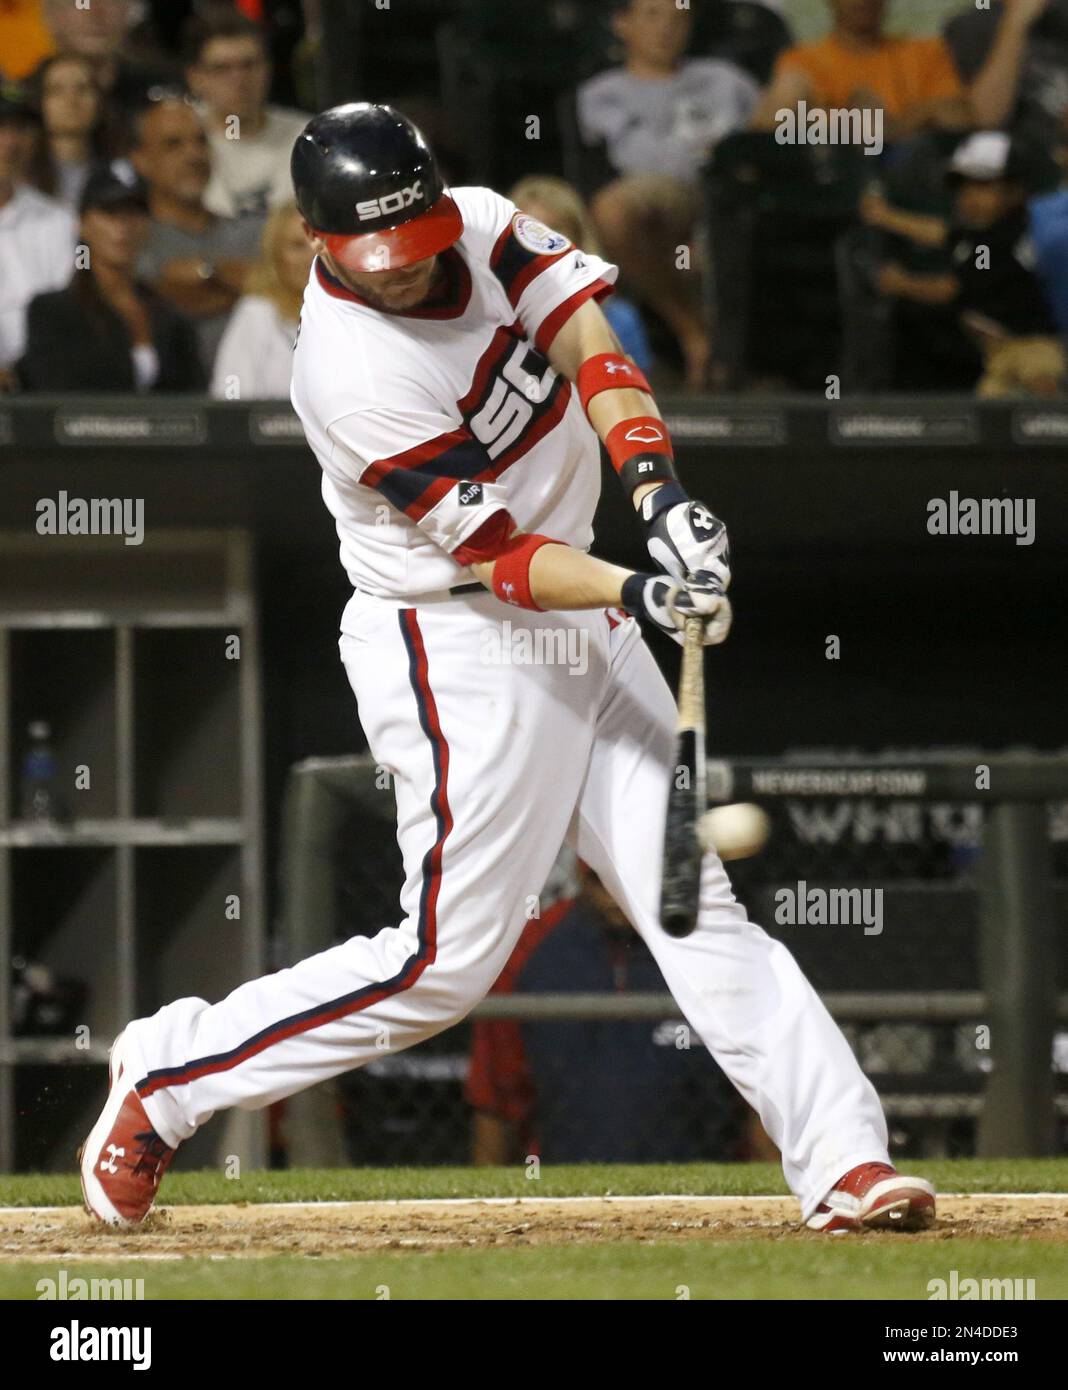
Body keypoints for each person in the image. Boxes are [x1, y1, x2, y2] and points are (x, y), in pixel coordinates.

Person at [79, 103, 936, 1238]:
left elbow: (591, 344)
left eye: (413, 241)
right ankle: (168, 1074)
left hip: (577, 607)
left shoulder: (481, 227)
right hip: (456, 639)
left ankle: (843, 1165)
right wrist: (639, 586)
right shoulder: (346, 372)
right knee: (445, 963)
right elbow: (507, 561)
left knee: (690, 903)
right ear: (321, 241)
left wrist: (658, 493)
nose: (402, 273)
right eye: (372, 255)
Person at [467, 863, 748, 1164]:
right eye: (600, 881)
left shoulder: (711, 946)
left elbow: (763, 1101)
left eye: (627, 881)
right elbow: (496, 1100)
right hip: (561, 1187)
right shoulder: (533, 944)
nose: (614, 897)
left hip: (704, 1188)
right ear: (578, 873)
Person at [577, 0, 759, 388]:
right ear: (621, 23)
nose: (666, 29)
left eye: (679, 18)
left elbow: (764, 133)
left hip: (730, 193)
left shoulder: (725, 79)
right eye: (652, 16)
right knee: (614, 210)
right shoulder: (603, 93)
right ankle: (692, 332)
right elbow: (637, 158)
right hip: (658, 193)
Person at [873, 131, 1065, 396]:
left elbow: (950, 289)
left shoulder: (1007, 237)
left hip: (1033, 345)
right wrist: (887, 217)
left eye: (983, 186)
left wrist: (901, 283)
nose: (970, 197)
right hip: (997, 352)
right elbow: (941, 233)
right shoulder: (977, 233)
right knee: (989, 413)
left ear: (1014, 192)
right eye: (964, 186)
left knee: (1040, 390)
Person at [19, 169, 203, 392]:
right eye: (109, 212)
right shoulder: (52, 312)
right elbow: (53, 396)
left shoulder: (172, 318)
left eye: (134, 212)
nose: (123, 225)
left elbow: (192, 401)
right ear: (82, 224)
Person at [750, 0, 1028, 138]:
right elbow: (771, 126)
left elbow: (961, 118)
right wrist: (916, 117)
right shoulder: (803, 60)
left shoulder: (925, 52)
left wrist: (890, 127)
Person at [130, 93, 264, 377]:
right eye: (173, 145)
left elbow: (275, 294)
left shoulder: (251, 232)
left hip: (254, 399)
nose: (193, 155)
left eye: (201, 141)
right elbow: (154, 304)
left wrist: (203, 275)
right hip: (167, 405)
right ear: (141, 161)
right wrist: (226, 280)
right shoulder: (130, 238)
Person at [508, 175, 653, 375]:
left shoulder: (620, 319)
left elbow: (637, 397)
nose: (541, 242)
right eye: (531, 229)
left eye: (554, 229)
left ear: (577, 237)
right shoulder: (491, 318)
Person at [184, 5, 309, 220]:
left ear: (268, 69)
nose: (239, 80)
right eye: (222, 68)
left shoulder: (306, 137)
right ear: (195, 78)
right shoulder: (178, 142)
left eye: (249, 65)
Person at [0, 88, 75, 383]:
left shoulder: (60, 220)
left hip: (49, 383)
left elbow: (72, 309)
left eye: (18, 129)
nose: (10, 143)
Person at [211, 199, 313, 398]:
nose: (312, 256)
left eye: (317, 241)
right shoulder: (257, 313)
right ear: (275, 255)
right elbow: (232, 390)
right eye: (297, 246)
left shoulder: (347, 312)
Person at [24, 52, 129, 209]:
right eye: (56, 90)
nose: (71, 100)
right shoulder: (19, 174)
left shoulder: (124, 173)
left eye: (83, 88)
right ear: (39, 103)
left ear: (100, 102)